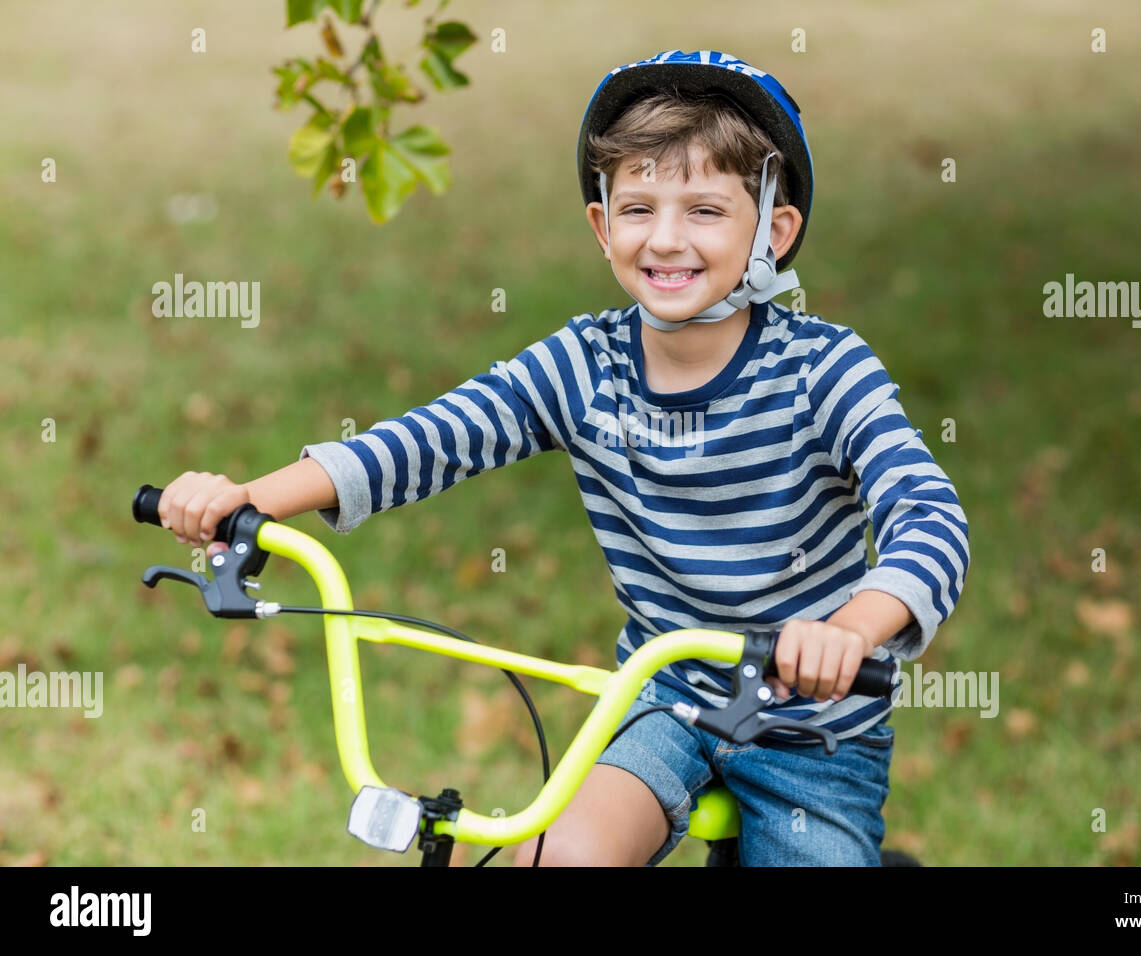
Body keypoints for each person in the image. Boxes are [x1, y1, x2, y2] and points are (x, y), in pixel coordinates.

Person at [156, 49, 970, 867]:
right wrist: (247, 498)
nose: (666, 239)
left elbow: (929, 518)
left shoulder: (824, 370)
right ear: (601, 225)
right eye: (639, 207)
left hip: (811, 733)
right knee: (551, 856)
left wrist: (851, 630)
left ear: (774, 230)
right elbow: (430, 438)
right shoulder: (586, 366)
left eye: (706, 211)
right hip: (666, 705)